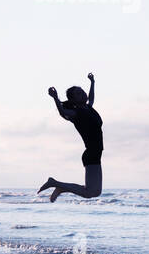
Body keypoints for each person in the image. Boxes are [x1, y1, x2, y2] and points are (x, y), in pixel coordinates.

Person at [38, 73, 103, 202]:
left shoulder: (89, 108)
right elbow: (62, 112)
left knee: (95, 192)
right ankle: (55, 183)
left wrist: (92, 82)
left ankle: (61, 188)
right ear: (73, 100)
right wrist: (56, 98)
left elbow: (91, 98)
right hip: (91, 153)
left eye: (82, 91)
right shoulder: (76, 113)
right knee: (90, 192)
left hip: (96, 153)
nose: (83, 94)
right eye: (78, 94)